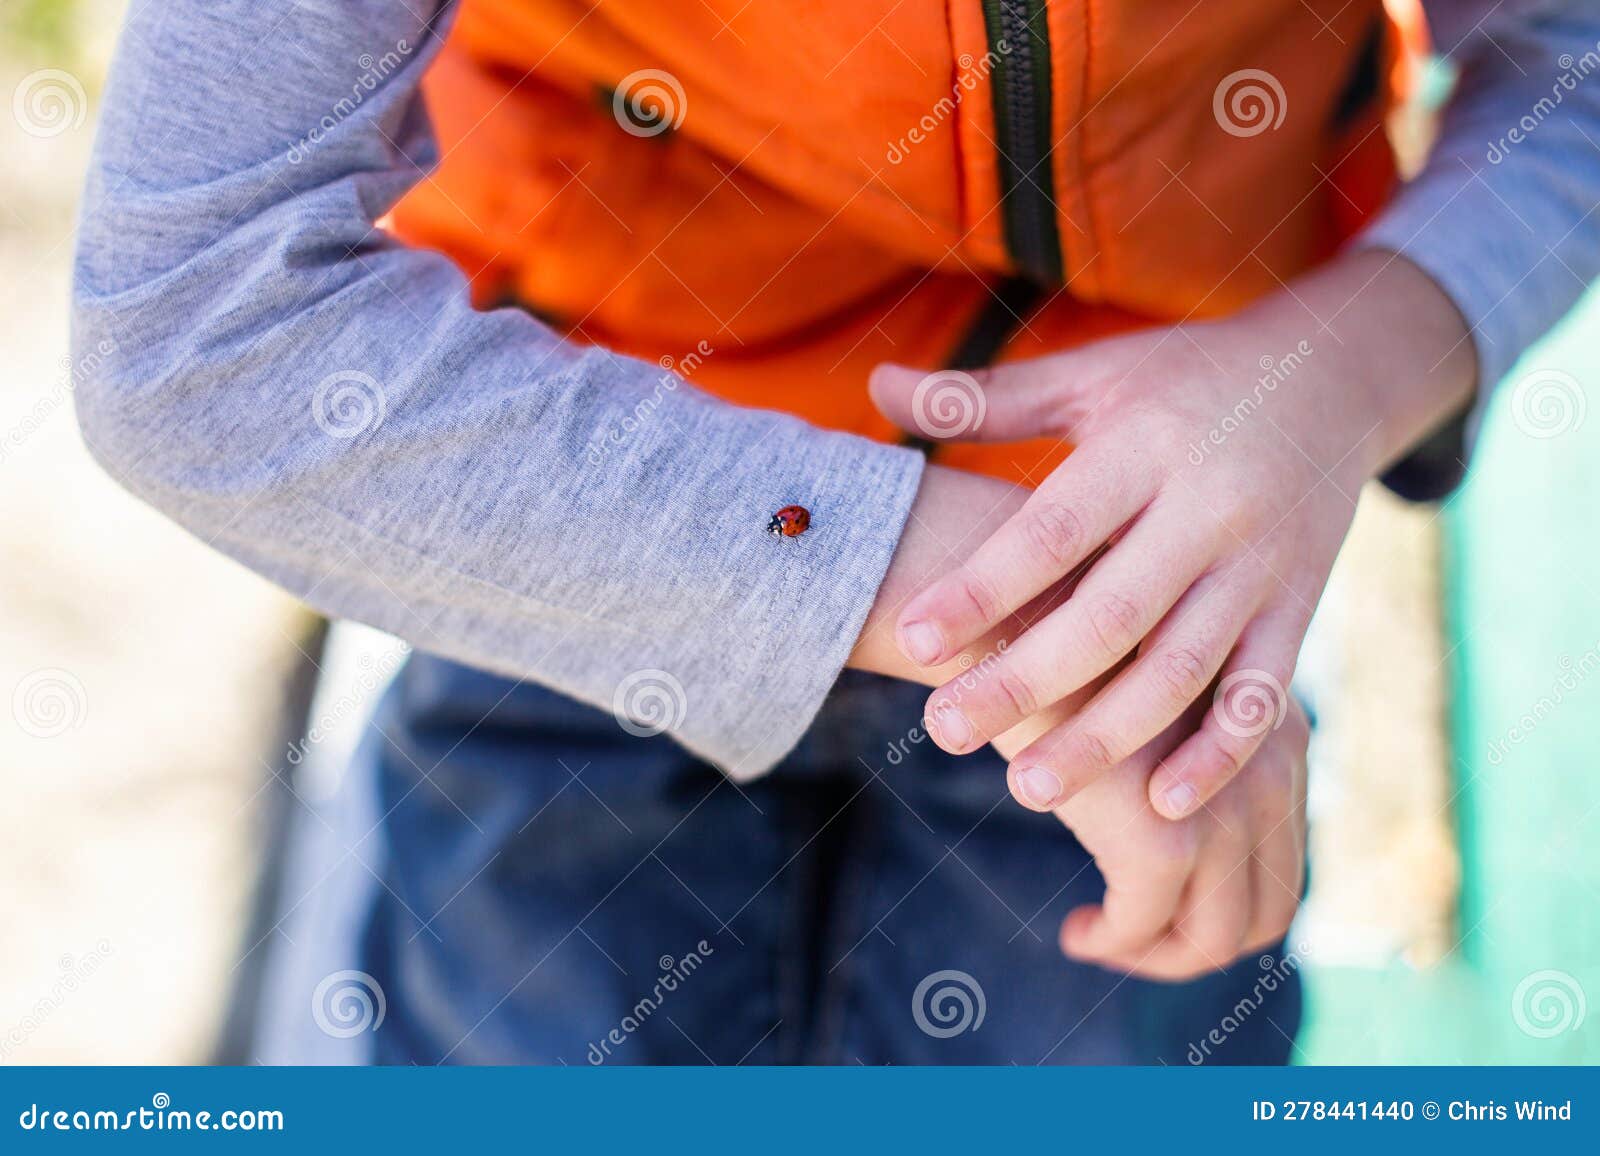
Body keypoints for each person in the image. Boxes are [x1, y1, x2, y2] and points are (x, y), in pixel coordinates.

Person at [73, 0, 1599, 1063]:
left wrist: (1338, 372)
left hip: (1143, 572)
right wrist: (1007, 613)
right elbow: (197, 324)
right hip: (574, 537)